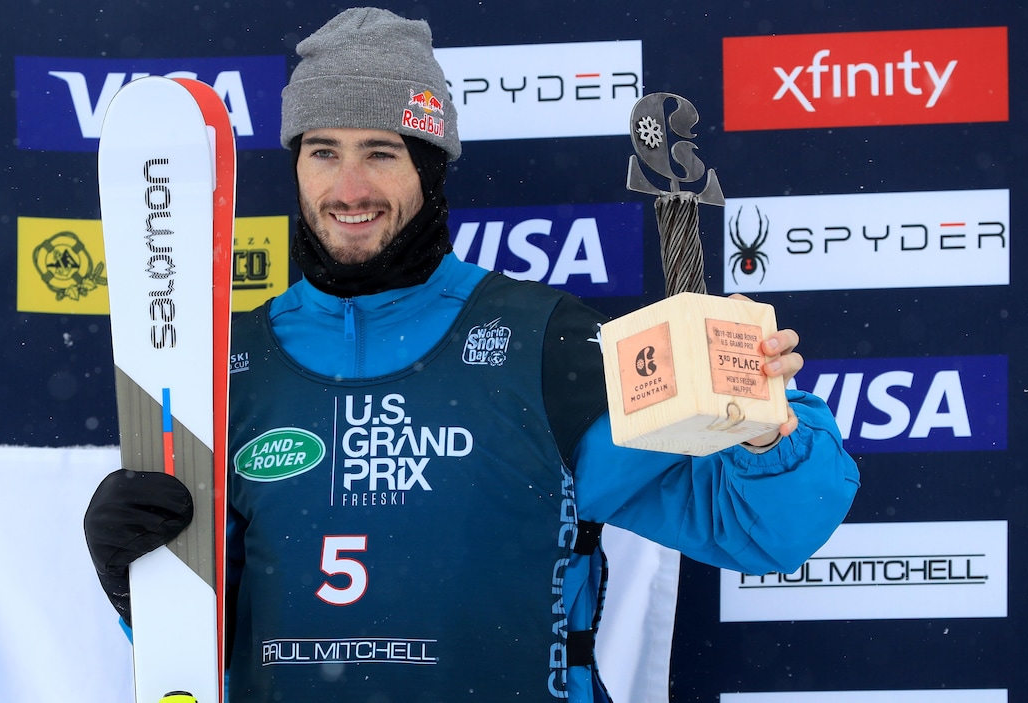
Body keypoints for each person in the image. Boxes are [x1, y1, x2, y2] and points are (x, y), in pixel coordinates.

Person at [84, 7, 860, 702]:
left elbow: (763, 530)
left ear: (429, 166)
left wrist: (764, 423)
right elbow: (205, 654)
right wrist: (145, 585)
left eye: (381, 153)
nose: (348, 187)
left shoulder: (550, 347)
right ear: (295, 165)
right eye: (323, 151)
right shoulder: (222, 370)